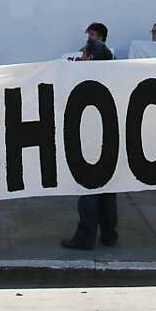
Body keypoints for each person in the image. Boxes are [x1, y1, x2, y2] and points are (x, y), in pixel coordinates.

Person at [61, 29, 118, 250]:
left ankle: (85, 237)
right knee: (108, 192)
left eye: (84, 55)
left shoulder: (85, 80)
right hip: (111, 142)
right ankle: (109, 234)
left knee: (89, 193)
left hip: (91, 143)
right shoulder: (113, 77)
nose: (81, 58)